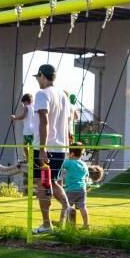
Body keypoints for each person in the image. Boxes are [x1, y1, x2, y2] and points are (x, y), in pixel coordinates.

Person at [32, 64, 72, 234]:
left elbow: (44, 121)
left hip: (46, 147)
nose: (37, 81)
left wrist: (42, 149)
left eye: (37, 77)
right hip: (60, 147)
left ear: (42, 76)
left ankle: (47, 224)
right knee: (52, 181)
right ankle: (68, 209)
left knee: (42, 184)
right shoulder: (63, 95)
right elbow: (69, 122)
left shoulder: (42, 94)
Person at [57, 142, 104, 227]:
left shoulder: (69, 162)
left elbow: (60, 164)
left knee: (65, 206)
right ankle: (86, 224)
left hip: (71, 189)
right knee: (83, 207)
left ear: (71, 153)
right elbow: (86, 176)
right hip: (82, 190)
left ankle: (61, 223)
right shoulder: (84, 164)